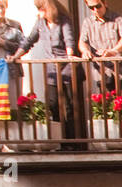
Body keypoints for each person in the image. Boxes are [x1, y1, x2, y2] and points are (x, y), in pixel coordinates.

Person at [15, 1, 76, 129]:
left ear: (48, 9)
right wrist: (16, 55)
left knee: (70, 105)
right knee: (53, 104)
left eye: (41, 9)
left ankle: (73, 140)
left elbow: (69, 39)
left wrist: (70, 56)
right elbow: (29, 40)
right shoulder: (40, 23)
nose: (38, 12)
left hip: (66, 67)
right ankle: (60, 139)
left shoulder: (63, 20)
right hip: (51, 70)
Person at [77, 1, 122, 95]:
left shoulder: (118, 19)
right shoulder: (88, 22)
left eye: (98, 6)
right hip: (102, 72)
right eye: (91, 8)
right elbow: (82, 42)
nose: (95, 10)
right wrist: (85, 51)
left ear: (105, 3)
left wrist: (114, 51)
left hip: (121, 70)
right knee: (104, 106)